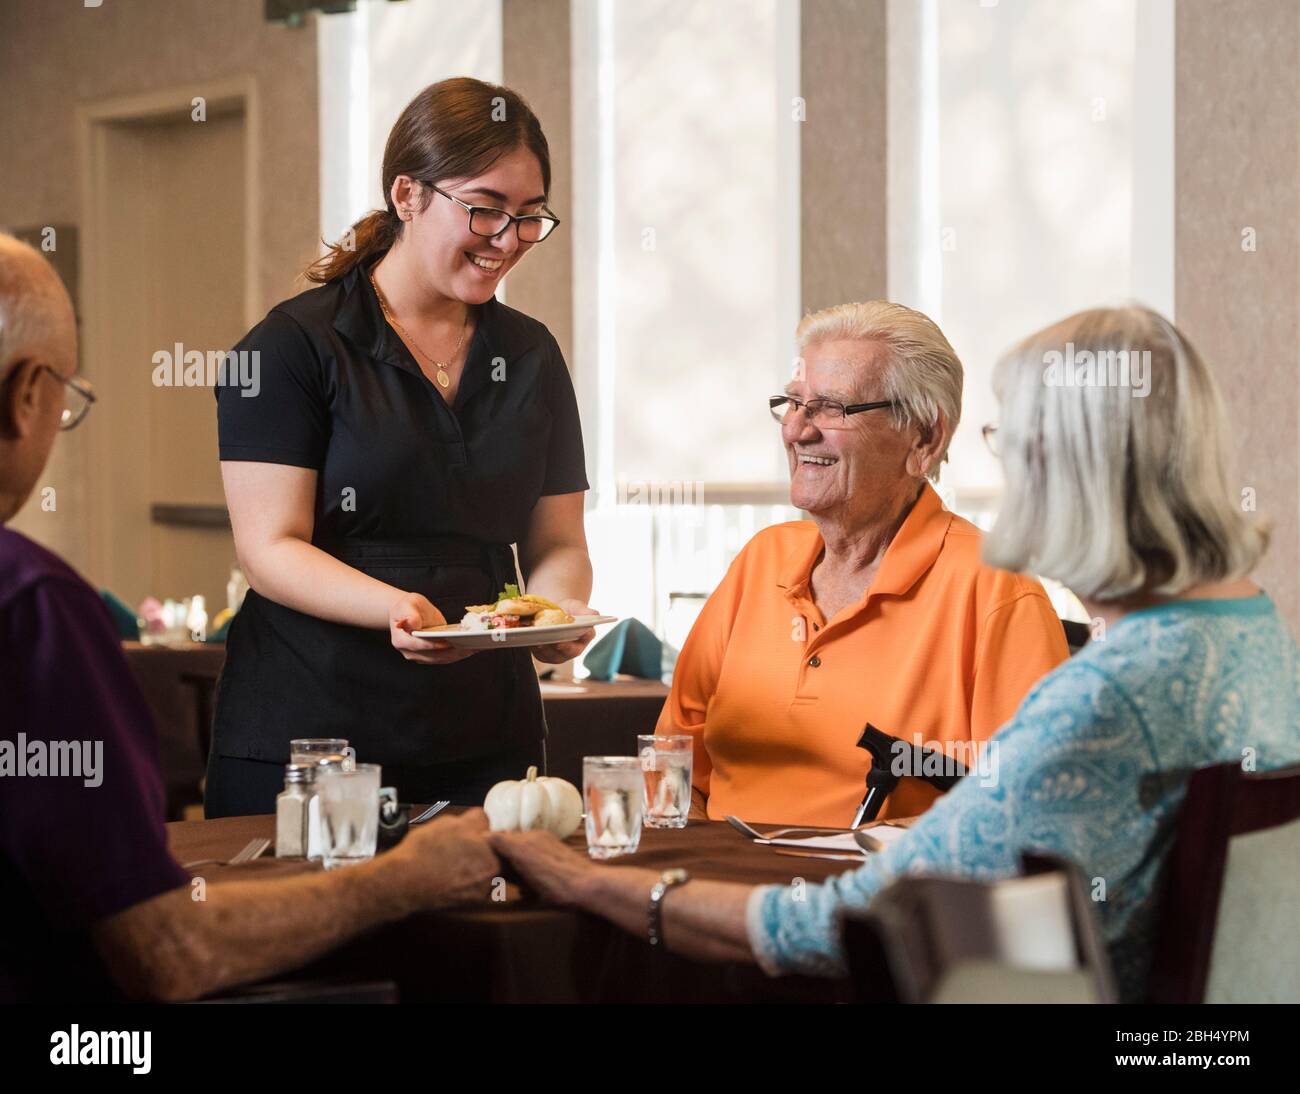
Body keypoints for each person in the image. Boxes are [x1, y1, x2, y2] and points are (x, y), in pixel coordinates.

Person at [493, 305, 1299, 1003]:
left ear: (1077, 474)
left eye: (1012, 443)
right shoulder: (1247, 628)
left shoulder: (1107, 695)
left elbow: (841, 922)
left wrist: (587, 882)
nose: (1003, 472)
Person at [0, 234, 500, 1002]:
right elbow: (169, 950)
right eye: (68, 393)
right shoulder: (33, 610)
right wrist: (403, 878)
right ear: (28, 394)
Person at [208, 78, 596, 817]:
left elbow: (559, 538)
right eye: (484, 209)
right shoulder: (293, 348)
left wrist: (555, 610)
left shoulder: (532, 354)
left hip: (487, 736)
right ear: (407, 195)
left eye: (528, 216)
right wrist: (395, 607)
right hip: (315, 735)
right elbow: (270, 549)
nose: (507, 239)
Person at [656, 301, 1067, 827]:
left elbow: (1028, 814)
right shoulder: (762, 560)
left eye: (831, 407)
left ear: (924, 438)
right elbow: (673, 762)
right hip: (720, 889)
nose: (796, 431)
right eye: (793, 403)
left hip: (876, 894)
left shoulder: (994, 589)